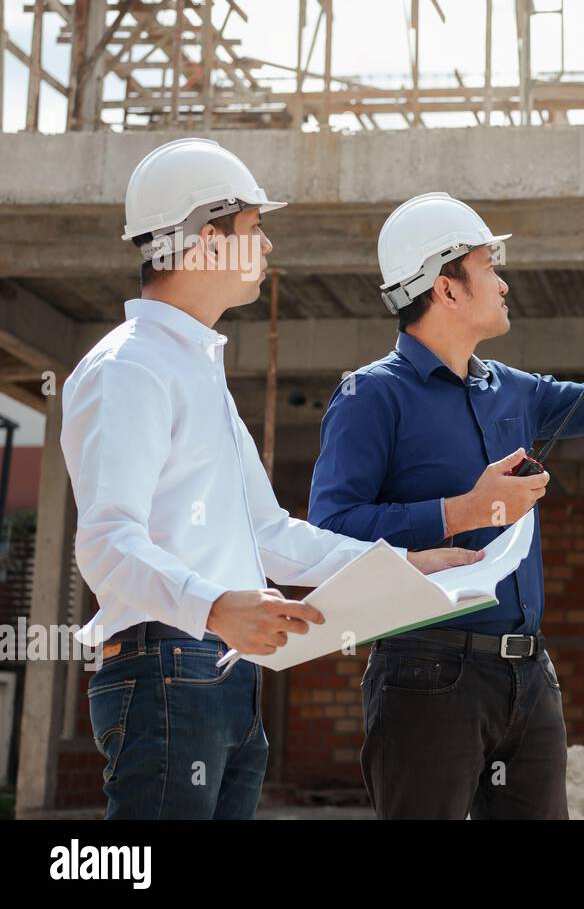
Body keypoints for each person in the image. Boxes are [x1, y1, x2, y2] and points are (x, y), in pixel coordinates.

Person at [63, 140, 480, 819]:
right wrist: (215, 606)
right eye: (254, 229)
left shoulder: (195, 369)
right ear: (207, 242)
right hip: (168, 666)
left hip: (219, 672)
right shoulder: (129, 369)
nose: (267, 244)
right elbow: (106, 542)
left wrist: (402, 564)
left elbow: (268, 533)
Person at [308, 191, 584, 818]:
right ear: (445, 287)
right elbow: (331, 529)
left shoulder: (509, 388)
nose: (504, 284)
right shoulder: (370, 398)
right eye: (489, 267)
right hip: (426, 673)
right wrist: (459, 511)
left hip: (527, 675)